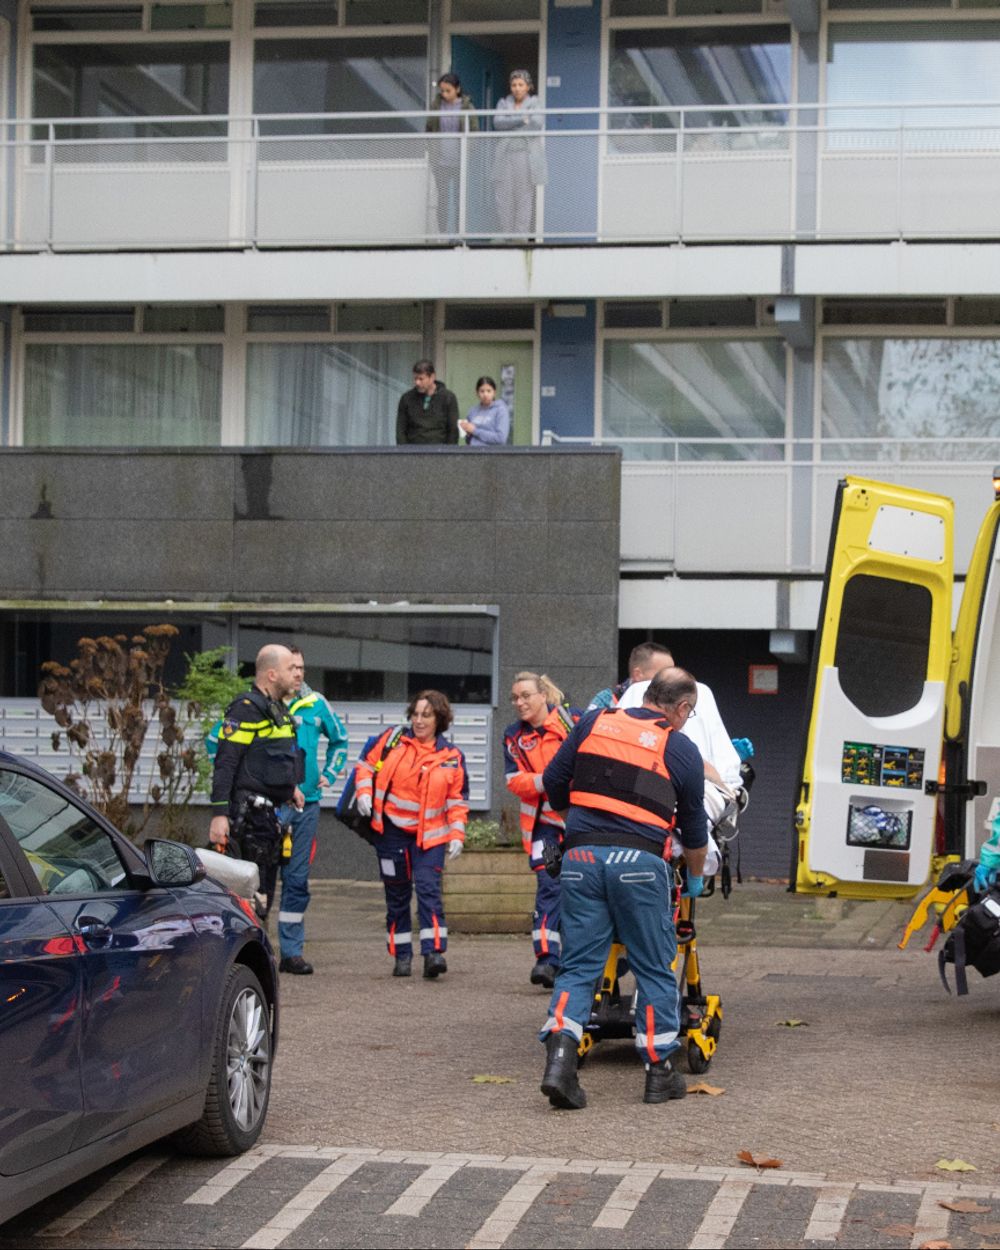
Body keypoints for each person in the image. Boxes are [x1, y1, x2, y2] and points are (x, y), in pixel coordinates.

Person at [538, 668, 708, 1110]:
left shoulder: (593, 723)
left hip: (579, 861)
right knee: (654, 967)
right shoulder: (679, 748)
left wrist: (579, 824)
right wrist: (693, 878)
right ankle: (659, 1072)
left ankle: (560, 1064)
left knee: (578, 967)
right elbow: (694, 830)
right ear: (682, 708)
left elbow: (553, 780)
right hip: (640, 865)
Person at [353, 690, 468, 979]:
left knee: (429, 891)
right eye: (415, 714)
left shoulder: (452, 757)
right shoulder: (392, 741)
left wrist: (457, 834)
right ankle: (401, 955)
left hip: (430, 838)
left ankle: (433, 953)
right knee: (397, 895)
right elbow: (365, 765)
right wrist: (364, 792)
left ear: (439, 719)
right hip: (391, 833)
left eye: (426, 715)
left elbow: (457, 801)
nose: (418, 720)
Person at [209, 645, 305, 918]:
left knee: (264, 901)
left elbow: (269, 760)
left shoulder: (276, 710)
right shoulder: (245, 710)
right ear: (272, 674)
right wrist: (219, 815)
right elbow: (226, 763)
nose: (297, 674)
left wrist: (290, 789)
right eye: (290, 668)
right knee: (248, 904)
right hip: (248, 820)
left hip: (269, 820)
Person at [274, 648, 349, 975]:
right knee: (259, 880)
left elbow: (340, 740)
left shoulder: (316, 703)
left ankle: (291, 953)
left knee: (297, 880)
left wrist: (329, 774)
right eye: (292, 667)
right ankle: (254, 952)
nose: (298, 673)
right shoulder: (261, 703)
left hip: (307, 807)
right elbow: (218, 742)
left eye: (301, 667)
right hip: (269, 806)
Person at [504, 672, 580, 989]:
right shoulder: (514, 736)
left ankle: (579, 962)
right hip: (546, 828)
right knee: (550, 883)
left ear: (543, 695)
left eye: (525, 695)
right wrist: (546, 780)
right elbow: (514, 781)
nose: (519, 702)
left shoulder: (572, 722)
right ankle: (547, 960)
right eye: (514, 697)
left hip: (579, 824)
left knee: (580, 891)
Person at [492, 70, 546, 238]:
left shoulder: (535, 103)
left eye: (521, 85)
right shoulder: (503, 103)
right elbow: (498, 123)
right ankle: (506, 235)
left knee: (523, 197)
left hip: (526, 156)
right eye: (514, 85)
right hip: (505, 155)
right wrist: (522, 119)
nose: (517, 88)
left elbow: (536, 124)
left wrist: (511, 124)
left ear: (528, 86)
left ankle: (520, 237)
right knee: (504, 196)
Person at [425, 72, 478, 238]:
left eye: (448, 90)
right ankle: (442, 235)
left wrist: (468, 151)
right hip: (440, 161)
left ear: (457, 89)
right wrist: (430, 149)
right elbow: (429, 129)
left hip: (460, 161)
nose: (444, 94)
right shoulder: (436, 106)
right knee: (442, 200)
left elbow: (474, 132)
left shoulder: (467, 107)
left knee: (459, 200)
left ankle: (458, 235)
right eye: (442, 91)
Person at [588, 640, 674, 712]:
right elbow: (588, 726)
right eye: (663, 674)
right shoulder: (607, 700)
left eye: (672, 674)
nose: (671, 680)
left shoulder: (676, 702)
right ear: (637, 674)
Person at [396, 359, 460, 446]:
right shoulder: (406, 398)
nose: (417, 383)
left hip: (440, 450)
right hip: (412, 450)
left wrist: (448, 452)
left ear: (432, 377)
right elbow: (400, 430)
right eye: (415, 379)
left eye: (421, 379)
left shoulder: (448, 398)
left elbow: (453, 430)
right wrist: (404, 451)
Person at [459, 375, 511, 446]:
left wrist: (475, 431)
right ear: (477, 393)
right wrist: (466, 431)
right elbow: (468, 439)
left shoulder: (500, 410)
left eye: (489, 391)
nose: (485, 394)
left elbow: (501, 439)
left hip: (492, 452)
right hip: (472, 451)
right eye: (482, 391)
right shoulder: (472, 411)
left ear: (494, 392)